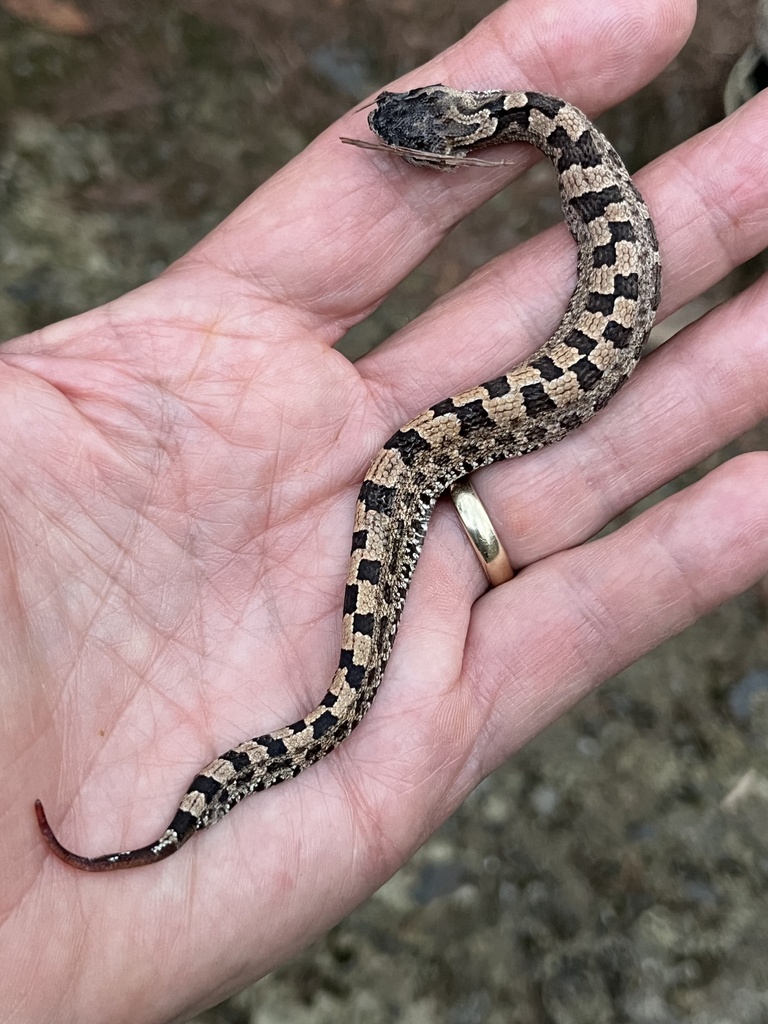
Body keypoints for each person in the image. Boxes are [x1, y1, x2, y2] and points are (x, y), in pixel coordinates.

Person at [2, 0, 767, 1020]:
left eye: (414, 134)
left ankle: (294, 740)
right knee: (403, 475)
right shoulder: (539, 125)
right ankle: (289, 744)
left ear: (454, 136)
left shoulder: (556, 131)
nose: (391, 133)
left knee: (412, 465)